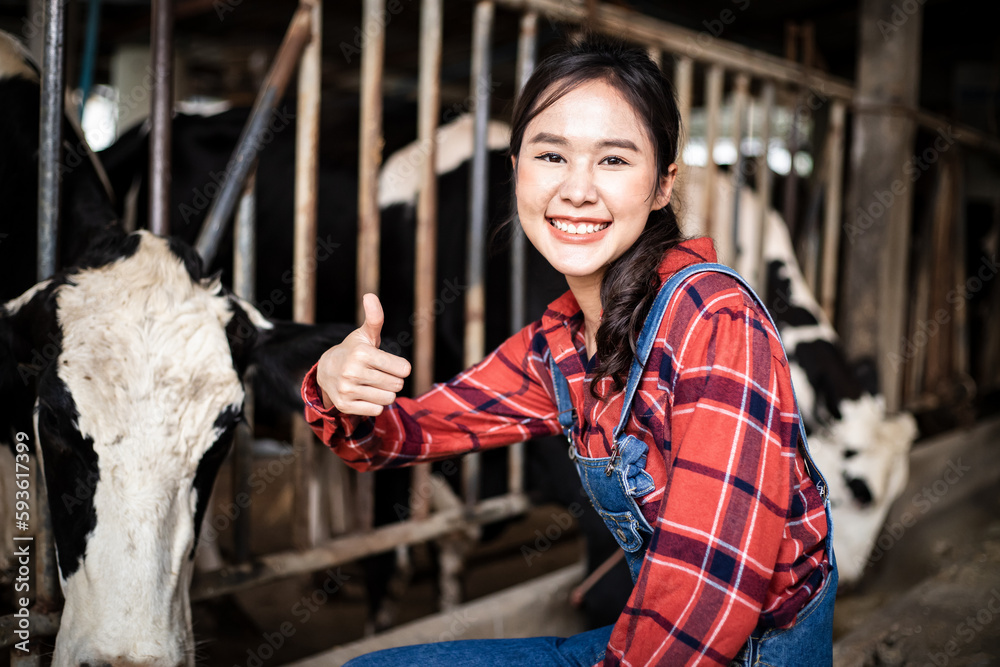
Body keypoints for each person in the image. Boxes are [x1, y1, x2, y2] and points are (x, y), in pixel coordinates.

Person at [302, 38, 836, 667]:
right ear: (517, 168)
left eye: (613, 160)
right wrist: (337, 390)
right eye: (552, 154)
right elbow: (408, 435)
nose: (577, 191)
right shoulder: (561, 342)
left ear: (663, 185)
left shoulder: (715, 321)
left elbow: (706, 593)